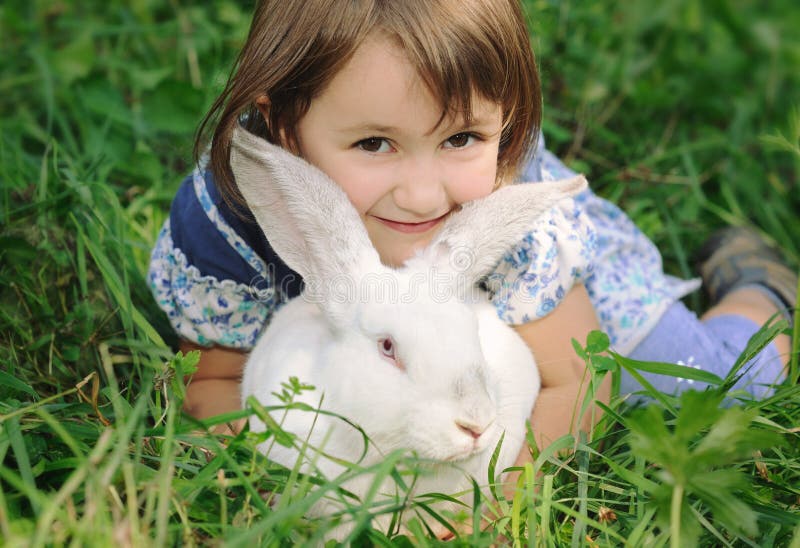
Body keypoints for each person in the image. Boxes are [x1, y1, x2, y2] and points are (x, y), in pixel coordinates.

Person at [147, 0, 796, 451]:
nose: (425, 193)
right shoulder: (235, 215)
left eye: (462, 136)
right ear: (285, 124)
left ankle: (759, 287)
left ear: (506, 121)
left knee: (707, 384)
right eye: (375, 144)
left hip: (548, 269)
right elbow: (214, 383)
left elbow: (582, 379)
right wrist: (303, 474)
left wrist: (500, 497)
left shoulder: (500, 215)